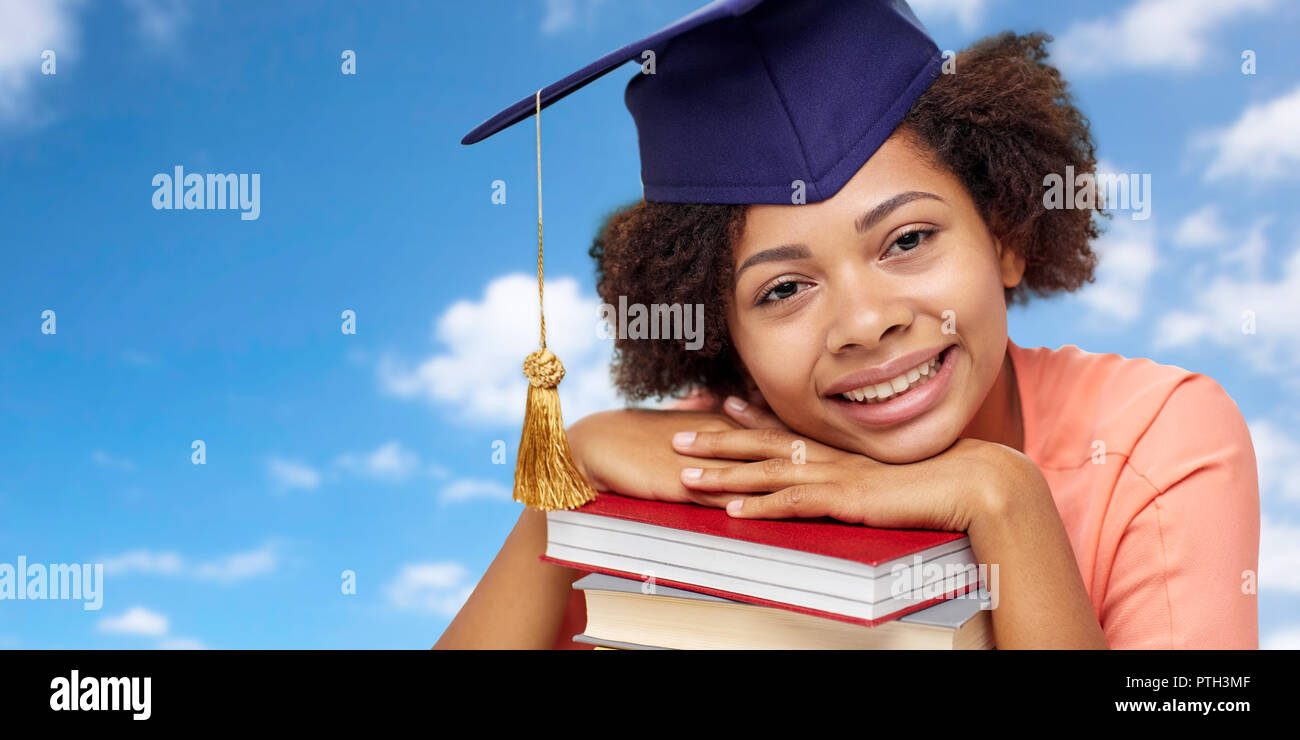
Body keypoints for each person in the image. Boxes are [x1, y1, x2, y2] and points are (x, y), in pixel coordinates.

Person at [435, 0, 1259, 650]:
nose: (864, 324)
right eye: (784, 290)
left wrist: (1006, 501)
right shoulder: (702, 474)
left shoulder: (1159, 444)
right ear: (726, 342)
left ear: (1005, 234)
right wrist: (567, 489)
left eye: (908, 239)